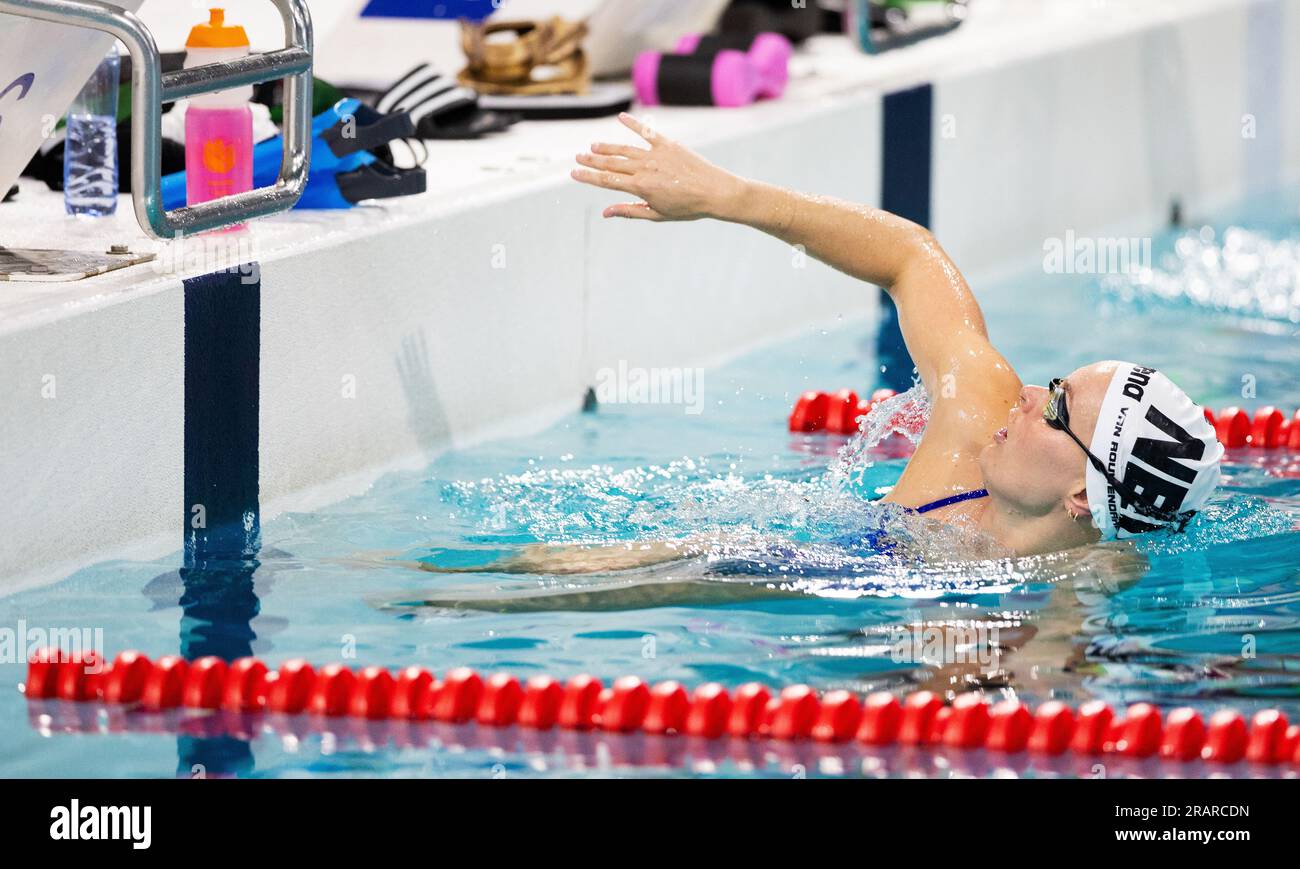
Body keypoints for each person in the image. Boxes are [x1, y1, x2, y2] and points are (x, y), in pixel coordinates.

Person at [566, 113, 1223, 557]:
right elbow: (910, 256)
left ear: (1083, 493)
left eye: (1055, 409)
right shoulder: (976, 421)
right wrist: (730, 197)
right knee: (572, 566)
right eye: (1052, 385)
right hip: (762, 571)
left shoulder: (1059, 620)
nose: (1024, 391)